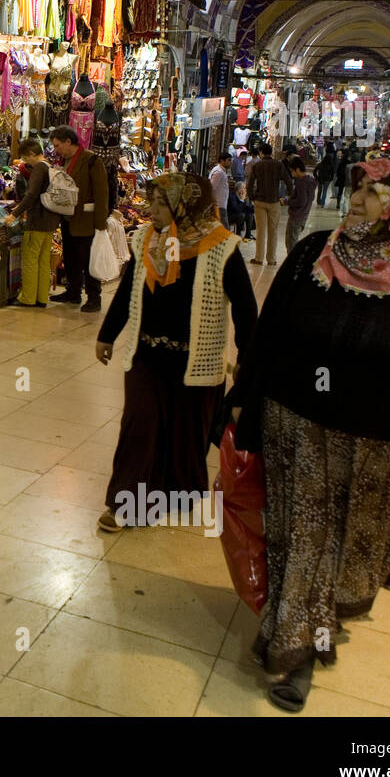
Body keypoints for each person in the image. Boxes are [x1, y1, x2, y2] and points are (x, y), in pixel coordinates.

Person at [232, 158, 390, 712]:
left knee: (344, 553)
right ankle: (298, 652)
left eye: (375, 192)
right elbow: (270, 332)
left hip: (378, 447)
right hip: (296, 428)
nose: (358, 199)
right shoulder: (313, 254)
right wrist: (246, 402)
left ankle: (308, 630)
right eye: (360, 188)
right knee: (302, 542)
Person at [95, 174, 257, 533]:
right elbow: (127, 293)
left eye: (159, 203)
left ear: (183, 205)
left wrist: (247, 361)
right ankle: (126, 504)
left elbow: (246, 309)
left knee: (185, 434)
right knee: (141, 424)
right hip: (147, 355)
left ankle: (173, 492)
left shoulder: (221, 247)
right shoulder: (145, 240)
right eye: (150, 201)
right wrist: (107, 335)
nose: (150, 209)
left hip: (195, 359)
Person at [49, 125, 108, 312]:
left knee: (87, 260)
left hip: (86, 220)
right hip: (68, 218)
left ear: (68, 141)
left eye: (58, 145)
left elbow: (101, 193)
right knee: (71, 257)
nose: (56, 150)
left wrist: (100, 223)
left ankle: (94, 297)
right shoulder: (64, 162)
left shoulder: (91, 160)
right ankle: (73, 292)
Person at [4, 137, 59, 307]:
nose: (26, 162)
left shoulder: (39, 169)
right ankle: (42, 297)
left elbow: (32, 194)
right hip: (50, 222)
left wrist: (16, 213)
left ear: (33, 154)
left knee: (30, 260)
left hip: (36, 221)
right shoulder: (50, 167)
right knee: (43, 261)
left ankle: (27, 298)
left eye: (26, 158)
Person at [248, 142, 292, 265]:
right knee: (273, 231)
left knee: (261, 231)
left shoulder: (257, 166)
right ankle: (271, 259)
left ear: (261, 153)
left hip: (260, 201)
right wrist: (288, 197)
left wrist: (252, 197)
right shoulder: (278, 165)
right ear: (271, 152)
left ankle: (259, 258)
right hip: (274, 201)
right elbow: (288, 181)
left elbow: (250, 183)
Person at [283, 155, 315, 251]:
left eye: (292, 171)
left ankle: (292, 264)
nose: (292, 174)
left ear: (297, 170)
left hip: (296, 216)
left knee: (291, 243)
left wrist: (287, 201)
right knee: (293, 241)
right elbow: (309, 198)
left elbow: (301, 201)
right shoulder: (311, 180)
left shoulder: (301, 182)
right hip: (304, 215)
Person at [209, 152, 232, 228]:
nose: (230, 163)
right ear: (222, 161)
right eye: (229, 160)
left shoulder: (221, 171)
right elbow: (212, 188)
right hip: (219, 204)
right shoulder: (219, 172)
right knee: (224, 229)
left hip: (220, 204)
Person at [314, 143, 337, 207]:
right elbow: (332, 173)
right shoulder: (331, 166)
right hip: (327, 180)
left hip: (320, 179)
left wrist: (316, 176)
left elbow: (315, 171)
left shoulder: (320, 164)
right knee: (324, 191)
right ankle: (323, 203)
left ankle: (318, 201)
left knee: (319, 190)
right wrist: (331, 179)